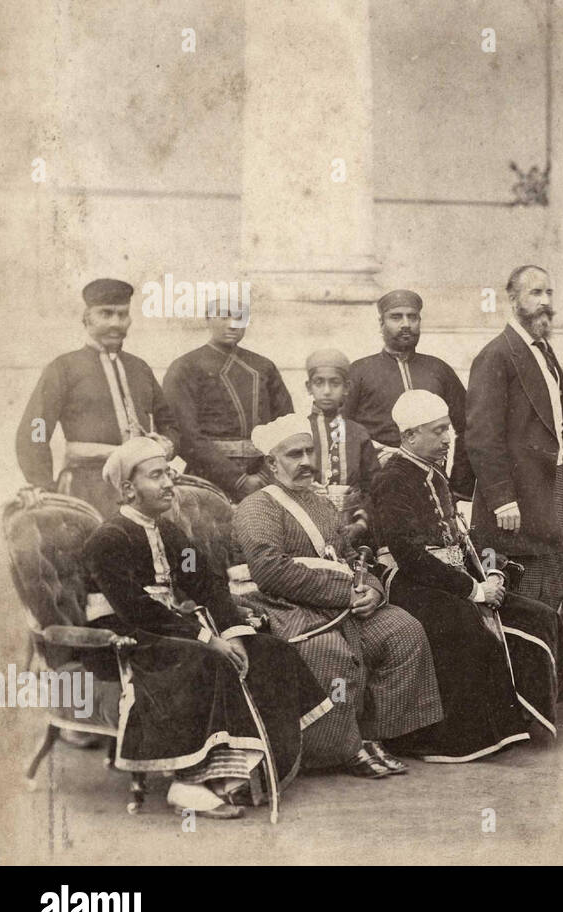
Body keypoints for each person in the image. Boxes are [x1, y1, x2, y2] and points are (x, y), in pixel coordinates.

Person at [83, 438, 329, 819]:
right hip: (130, 634)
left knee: (267, 650)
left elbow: (204, 583)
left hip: (174, 624)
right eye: (156, 476)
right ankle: (187, 783)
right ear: (129, 490)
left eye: (168, 472)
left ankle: (242, 772)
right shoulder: (109, 539)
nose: (168, 482)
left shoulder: (168, 532)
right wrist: (207, 639)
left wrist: (232, 633)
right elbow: (136, 609)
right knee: (204, 660)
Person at [231, 414, 444, 778]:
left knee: (402, 629)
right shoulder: (258, 507)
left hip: (339, 604)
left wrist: (372, 591)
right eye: (293, 454)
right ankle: (337, 750)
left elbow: (351, 557)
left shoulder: (321, 503)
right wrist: (344, 594)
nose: (305, 462)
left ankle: (376, 736)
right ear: (271, 463)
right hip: (285, 607)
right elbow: (270, 572)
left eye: (309, 452)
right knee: (329, 653)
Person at [370, 390, 558, 761]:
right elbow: (409, 556)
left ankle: (514, 719)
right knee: (462, 624)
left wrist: (489, 574)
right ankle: (459, 737)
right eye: (437, 431)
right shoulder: (392, 479)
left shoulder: (434, 473)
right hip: (411, 582)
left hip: (454, 577)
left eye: (448, 430)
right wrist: (474, 590)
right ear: (409, 436)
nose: (446, 438)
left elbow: (457, 537)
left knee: (538, 614)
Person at [17, 279, 180, 516]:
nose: (115, 323)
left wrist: (164, 445)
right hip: (87, 488)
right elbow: (36, 428)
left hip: (142, 490)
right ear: (87, 319)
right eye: (106, 314)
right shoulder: (63, 368)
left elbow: (170, 424)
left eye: (122, 315)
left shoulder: (139, 368)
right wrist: (42, 484)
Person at [467, 265, 563, 617]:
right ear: (513, 301)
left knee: (553, 584)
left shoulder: (544, 350)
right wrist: (501, 499)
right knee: (523, 593)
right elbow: (483, 435)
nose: (545, 302)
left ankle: (552, 668)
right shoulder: (495, 355)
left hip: (551, 484)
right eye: (535, 294)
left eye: (549, 293)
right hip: (517, 493)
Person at [343, 289, 473, 495]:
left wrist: (459, 485)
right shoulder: (359, 371)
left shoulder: (439, 369)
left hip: (431, 483)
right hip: (377, 486)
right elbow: (341, 432)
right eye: (396, 317)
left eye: (412, 317)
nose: (405, 324)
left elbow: (469, 426)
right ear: (381, 323)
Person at [163, 299, 293, 501]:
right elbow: (186, 435)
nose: (233, 324)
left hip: (263, 480)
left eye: (240, 317)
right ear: (208, 319)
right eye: (224, 317)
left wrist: (265, 474)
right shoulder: (185, 368)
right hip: (207, 480)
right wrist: (238, 480)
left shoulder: (264, 367)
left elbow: (285, 427)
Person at [304, 348, 379, 529]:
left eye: (335, 383)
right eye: (319, 383)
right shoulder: (299, 430)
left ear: (346, 387)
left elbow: (374, 485)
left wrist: (362, 521)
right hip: (309, 522)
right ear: (309, 387)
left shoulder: (358, 432)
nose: (327, 391)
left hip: (353, 523)